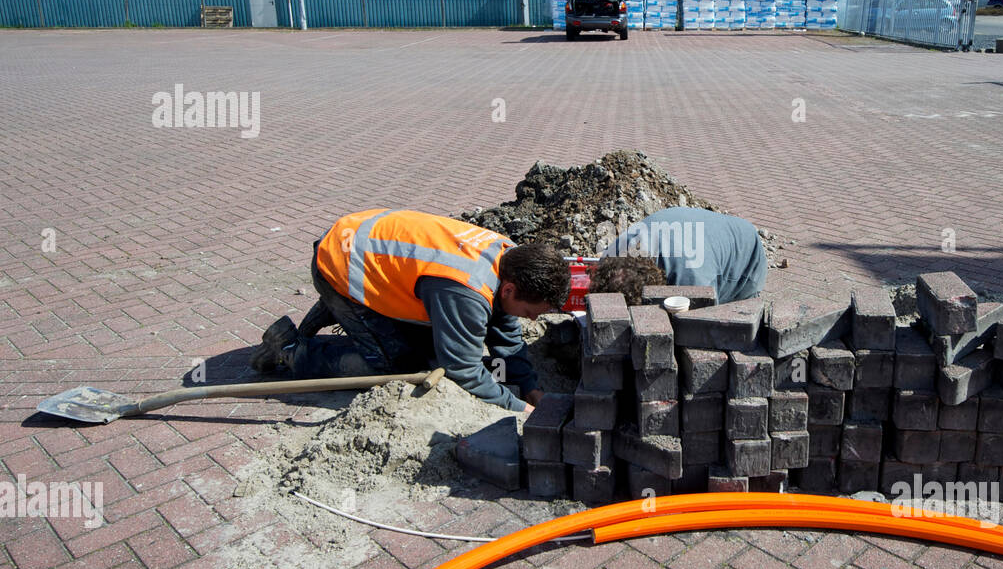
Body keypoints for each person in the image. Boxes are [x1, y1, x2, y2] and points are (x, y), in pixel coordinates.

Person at [250, 209, 570, 413]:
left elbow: (504, 332)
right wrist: (516, 407)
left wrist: (529, 387)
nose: (530, 320)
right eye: (530, 312)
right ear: (510, 290)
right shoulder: (466, 290)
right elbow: (462, 369)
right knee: (392, 366)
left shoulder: (508, 258)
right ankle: (292, 350)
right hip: (339, 263)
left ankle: (341, 310)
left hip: (365, 249)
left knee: (426, 345)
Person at [589, 207, 767, 306]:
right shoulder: (612, 255)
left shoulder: (693, 281)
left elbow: (704, 323)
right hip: (696, 234)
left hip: (746, 254)